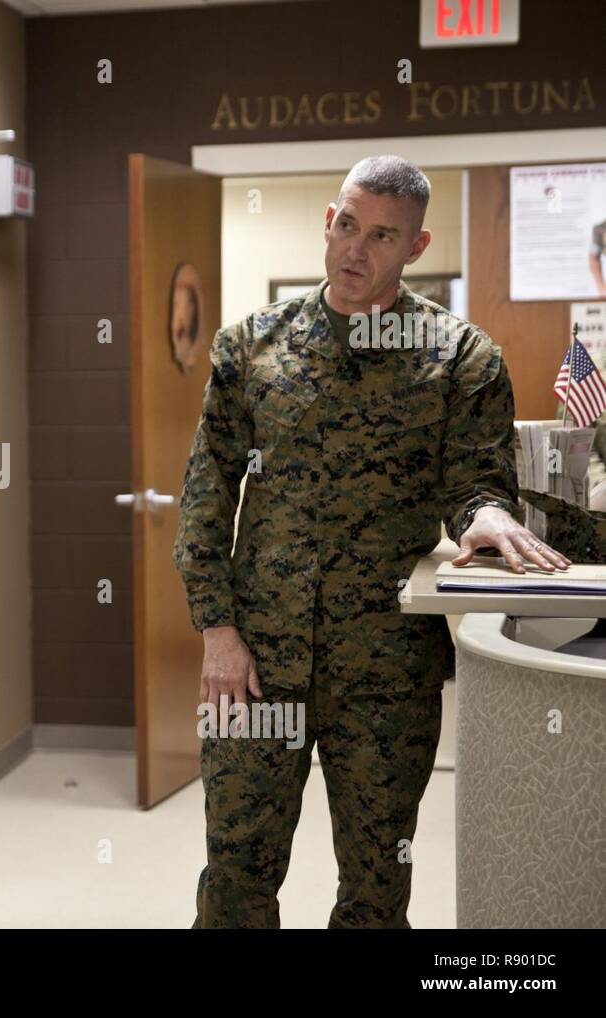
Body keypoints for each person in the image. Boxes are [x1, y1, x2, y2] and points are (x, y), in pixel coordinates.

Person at [174, 154, 571, 929]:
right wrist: (216, 632)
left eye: (382, 236)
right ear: (329, 221)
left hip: (387, 669)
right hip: (257, 662)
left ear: (415, 248)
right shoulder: (250, 348)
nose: (355, 249)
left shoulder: (460, 359)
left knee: (376, 895)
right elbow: (206, 495)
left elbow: (477, 484)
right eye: (347, 225)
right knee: (234, 883)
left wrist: (485, 514)